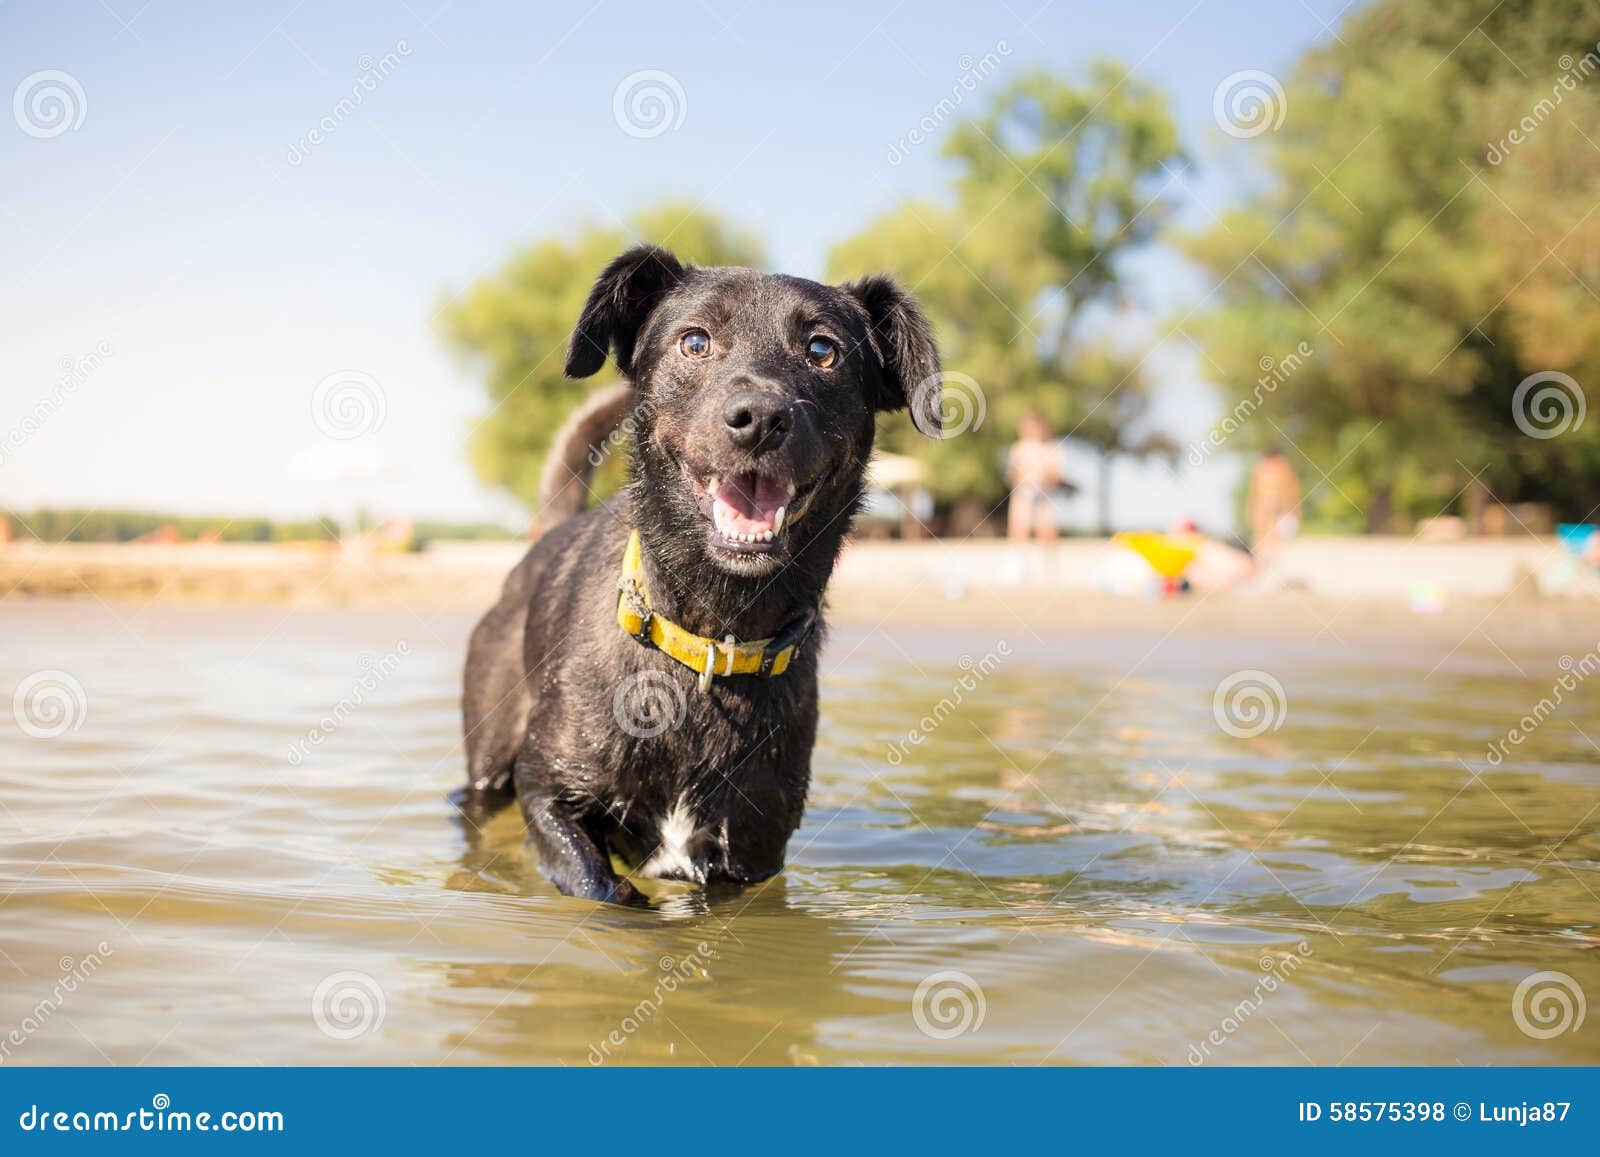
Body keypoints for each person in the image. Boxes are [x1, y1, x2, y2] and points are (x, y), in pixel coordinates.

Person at [1005, 410, 1064, 541]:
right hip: (1023, 493)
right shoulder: (1018, 448)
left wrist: (1044, 481)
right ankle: (1019, 557)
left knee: (1045, 527)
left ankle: (1048, 559)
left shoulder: (1050, 448)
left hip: (1044, 494)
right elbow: (1011, 474)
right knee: (1019, 526)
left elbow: (1056, 474)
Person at [1246, 443, 1301, 564]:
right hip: (1271, 502)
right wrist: (1293, 507)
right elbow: (1291, 487)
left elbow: (1254, 490)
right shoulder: (1280, 465)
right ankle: (1266, 557)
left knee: (1265, 531)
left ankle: (1266, 557)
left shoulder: (1263, 466)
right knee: (1266, 531)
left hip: (1267, 502)